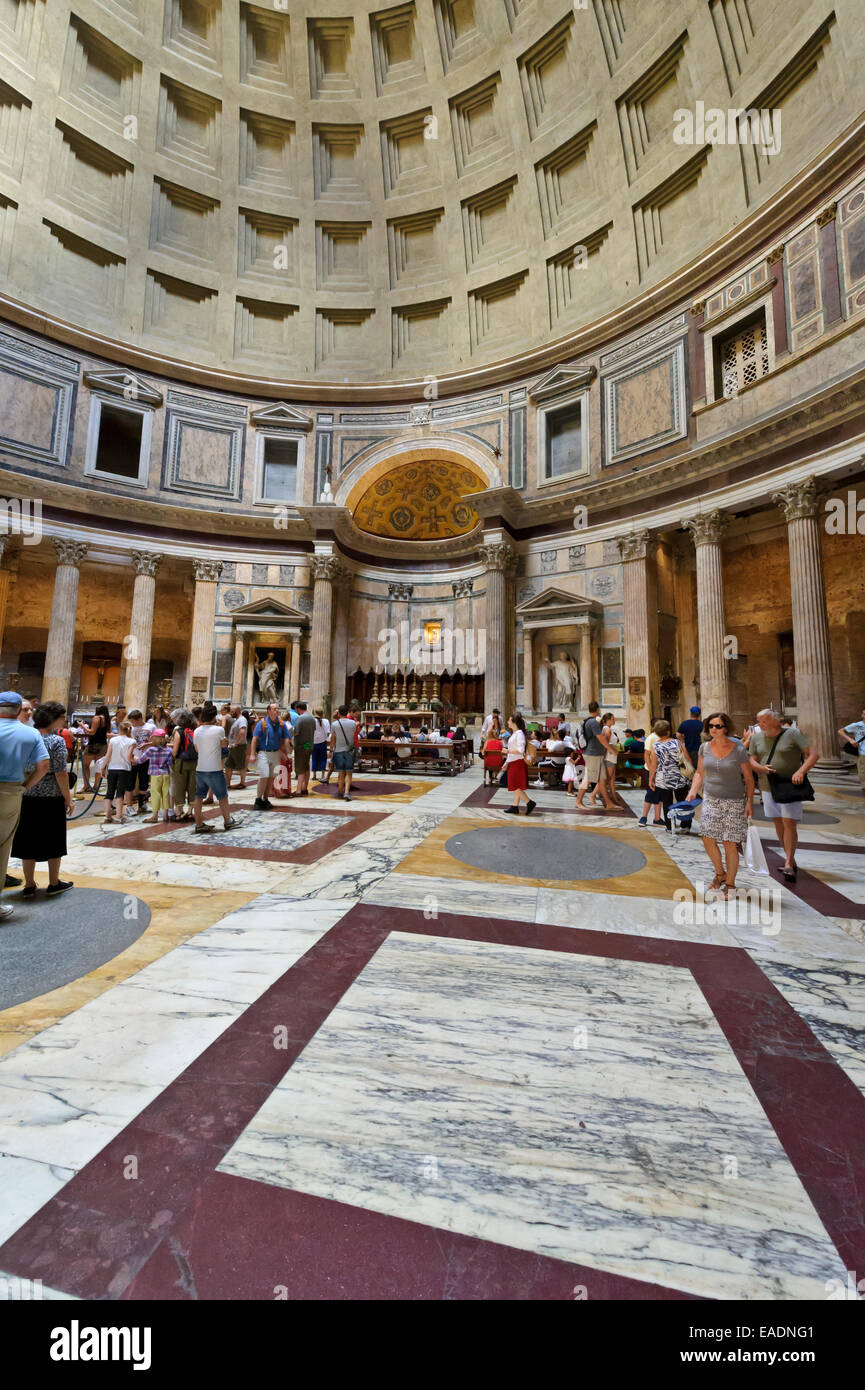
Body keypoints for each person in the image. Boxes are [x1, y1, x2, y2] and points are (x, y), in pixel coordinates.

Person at [685, 712, 755, 898]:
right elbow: (700, 773)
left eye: (718, 726)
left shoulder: (738, 749)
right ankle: (720, 873)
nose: (714, 729)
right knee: (707, 838)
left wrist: (749, 801)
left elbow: (748, 779)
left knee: (729, 843)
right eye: (711, 726)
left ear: (725, 728)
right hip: (711, 799)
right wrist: (693, 790)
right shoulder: (704, 748)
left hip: (734, 801)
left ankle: (730, 884)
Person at [10, 700, 75, 896]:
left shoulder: (25, 738)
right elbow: (60, 773)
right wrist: (68, 798)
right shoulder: (56, 741)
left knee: (26, 840)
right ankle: (54, 883)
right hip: (51, 797)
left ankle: (29, 885)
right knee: (53, 839)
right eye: (62, 717)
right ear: (53, 719)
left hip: (27, 795)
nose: (64, 721)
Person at [749, 708, 818, 882]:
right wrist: (759, 768)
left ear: (775, 720)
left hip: (790, 785)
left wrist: (801, 771)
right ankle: (790, 858)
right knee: (778, 821)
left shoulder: (794, 734)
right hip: (767, 785)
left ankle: (788, 861)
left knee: (789, 823)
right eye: (759, 721)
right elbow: (751, 758)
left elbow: (813, 755)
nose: (760, 724)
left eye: (764, 720)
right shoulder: (757, 737)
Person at [0, 691, 49, 921]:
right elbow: (44, 766)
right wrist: (26, 787)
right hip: (10, 790)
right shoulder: (30, 733)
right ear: (18, 709)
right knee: (2, 846)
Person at [192, 701, 237, 834]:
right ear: (213, 718)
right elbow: (224, 746)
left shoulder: (197, 731)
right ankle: (228, 821)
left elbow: (197, 749)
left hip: (200, 768)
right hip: (215, 769)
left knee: (199, 797)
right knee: (222, 796)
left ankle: (198, 824)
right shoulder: (219, 730)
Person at [646, 720, 692, 830]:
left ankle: (669, 826)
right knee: (682, 800)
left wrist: (651, 779)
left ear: (656, 733)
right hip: (679, 776)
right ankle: (685, 825)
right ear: (668, 731)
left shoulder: (655, 746)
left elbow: (653, 764)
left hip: (663, 778)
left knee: (667, 802)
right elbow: (687, 758)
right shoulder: (677, 743)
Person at [250, 702, 292, 810]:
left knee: (271, 778)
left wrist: (286, 752)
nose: (277, 710)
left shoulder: (281, 724)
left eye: (277, 708)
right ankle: (258, 799)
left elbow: (286, 738)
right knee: (264, 775)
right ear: (269, 711)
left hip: (276, 753)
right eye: (274, 709)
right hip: (264, 753)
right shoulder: (262, 723)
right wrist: (252, 754)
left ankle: (265, 799)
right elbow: (255, 739)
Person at [575, 701, 616, 810]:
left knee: (602, 780)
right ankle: (578, 802)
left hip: (596, 754)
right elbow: (601, 738)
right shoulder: (593, 722)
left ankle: (609, 804)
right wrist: (611, 749)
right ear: (597, 709)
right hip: (592, 754)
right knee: (588, 779)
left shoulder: (590, 721)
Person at [133, 728, 173, 823]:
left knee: (155, 795)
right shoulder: (168, 750)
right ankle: (165, 815)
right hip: (166, 774)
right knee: (166, 794)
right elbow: (171, 763)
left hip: (155, 775)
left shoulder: (151, 750)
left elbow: (140, 761)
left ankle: (154, 816)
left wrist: (134, 757)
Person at [102, 720, 135, 825]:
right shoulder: (132, 741)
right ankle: (118, 816)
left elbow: (108, 755)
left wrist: (103, 767)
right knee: (120, 793)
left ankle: (107, 816)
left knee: (109, 792)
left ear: (119, 729)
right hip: (124, 769)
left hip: (112, 768)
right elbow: (129, 756)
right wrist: (134, 760)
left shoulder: (113, 740)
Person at [503, 713, 535, 816]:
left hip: (518, 763)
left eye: (509, 720)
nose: (508, 722)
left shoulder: (519, 734)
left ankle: (529, 802)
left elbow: (521, 750)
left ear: (514, 722)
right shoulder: (515, 733)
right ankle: (515, 806)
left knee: (515, 785)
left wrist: (507, 751)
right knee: (516, 786)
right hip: (514, 762)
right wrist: (507, 762)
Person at [170, 710, 198, 821]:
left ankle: (179, 813)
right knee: (192, 787)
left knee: (179, 787)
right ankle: (190, 812)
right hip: (195, 762)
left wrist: (171, 755)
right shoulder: (195, 731)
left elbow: (175, 751)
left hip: (181, 763)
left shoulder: (179, 732)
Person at [638, 722, 665, 825]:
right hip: (651, 770)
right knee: (651, 792)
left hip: (660, 770)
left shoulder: (661, 737)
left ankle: (657, 818)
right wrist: (651, 770)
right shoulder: (651, 737)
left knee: (659, 794)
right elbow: (646, 755)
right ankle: (643, 817)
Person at [329, 704, 357, 802]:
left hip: (338, 750)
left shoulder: (334, 724)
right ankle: (346, 792)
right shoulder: (353, 723)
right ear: (348, 712)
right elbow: (353, 734)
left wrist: (331, 749)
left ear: (339, 713)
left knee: (341, 772)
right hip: (349, 750)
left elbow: (333, 738)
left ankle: (340, 791)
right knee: (349, 772)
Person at [81, 703, 110, 791]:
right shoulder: (107, 719)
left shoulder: (96, 718)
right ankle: (96, 786)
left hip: (93, 744)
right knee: (98, 766)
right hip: (103, 745)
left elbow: (92, 732)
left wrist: (82, 726)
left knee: (85, 765)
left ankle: (86, 786)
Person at [292, 701, 316, 795]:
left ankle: (298, 790)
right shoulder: (312, 718)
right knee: (306, 766)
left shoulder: (300, 718)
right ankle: (304, 788)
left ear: (298, 709)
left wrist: (290, 732)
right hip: (309, 745)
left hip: (301, 746)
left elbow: (296, 732)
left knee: (300, 768)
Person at [838, 706, 865, 788]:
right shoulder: (857, 725)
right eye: (864, 714)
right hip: (862, 752)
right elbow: (840, 731)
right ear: (862, 715)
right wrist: (850, 740)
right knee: (863, 772)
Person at [225, 705, 248, 790]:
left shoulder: (242, 720)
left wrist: (236, 743)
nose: (230, 713)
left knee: (240, 765)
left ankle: (242, 783)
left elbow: (242, 731)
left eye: (232, 711)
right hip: (233, 747)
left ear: (237, 711)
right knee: (228, 765)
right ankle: (227, 783)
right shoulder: (237, 720)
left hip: (239, 746)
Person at [311, 709, 330, 780]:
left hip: (314, 742)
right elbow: (327, 732)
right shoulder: (325, 721)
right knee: (323, 759)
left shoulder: (312, 721)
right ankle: (322, 775)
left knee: (314, 758)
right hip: (322, 742)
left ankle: (314, 775)